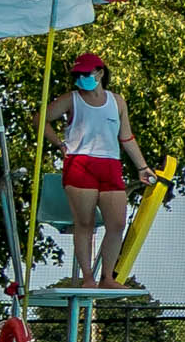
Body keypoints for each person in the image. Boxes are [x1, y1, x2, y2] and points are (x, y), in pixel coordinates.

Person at [40, 53, 149, 288]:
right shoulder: (71, 99)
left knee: (117, 223)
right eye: (78, 75)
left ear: (99, 73)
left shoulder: (117, 102)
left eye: (86, 74)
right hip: (80, 164)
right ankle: (87, 277)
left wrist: (142, 167)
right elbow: (41, 119)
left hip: (110, 164)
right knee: (85, 223)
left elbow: (126, 137)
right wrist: (59, 144)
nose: (81, 79)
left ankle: (108, 277)